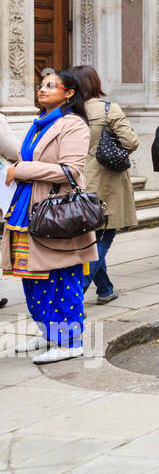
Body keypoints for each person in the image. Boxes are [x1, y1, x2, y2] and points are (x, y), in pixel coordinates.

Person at [3, 70, 98, 363]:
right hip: (27, 210)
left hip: (56, 214)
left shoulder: (73, 125)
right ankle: (48, 332)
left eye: (50, 85)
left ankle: (70, 341)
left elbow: (70, 170)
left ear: (69, 92)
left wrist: (22, 170)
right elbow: (25, 156)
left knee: (59, 278)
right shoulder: (40, 123)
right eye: (40, 85)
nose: (42, 90)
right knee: (32, 278)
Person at [70, 65, 139, 301]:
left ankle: (105, 289)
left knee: (92, 237)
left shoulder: (67, 111)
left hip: (75, 180)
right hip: (105, 182)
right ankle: (76, 294)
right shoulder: (108, 110)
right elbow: (131, 141)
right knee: (104, 237)